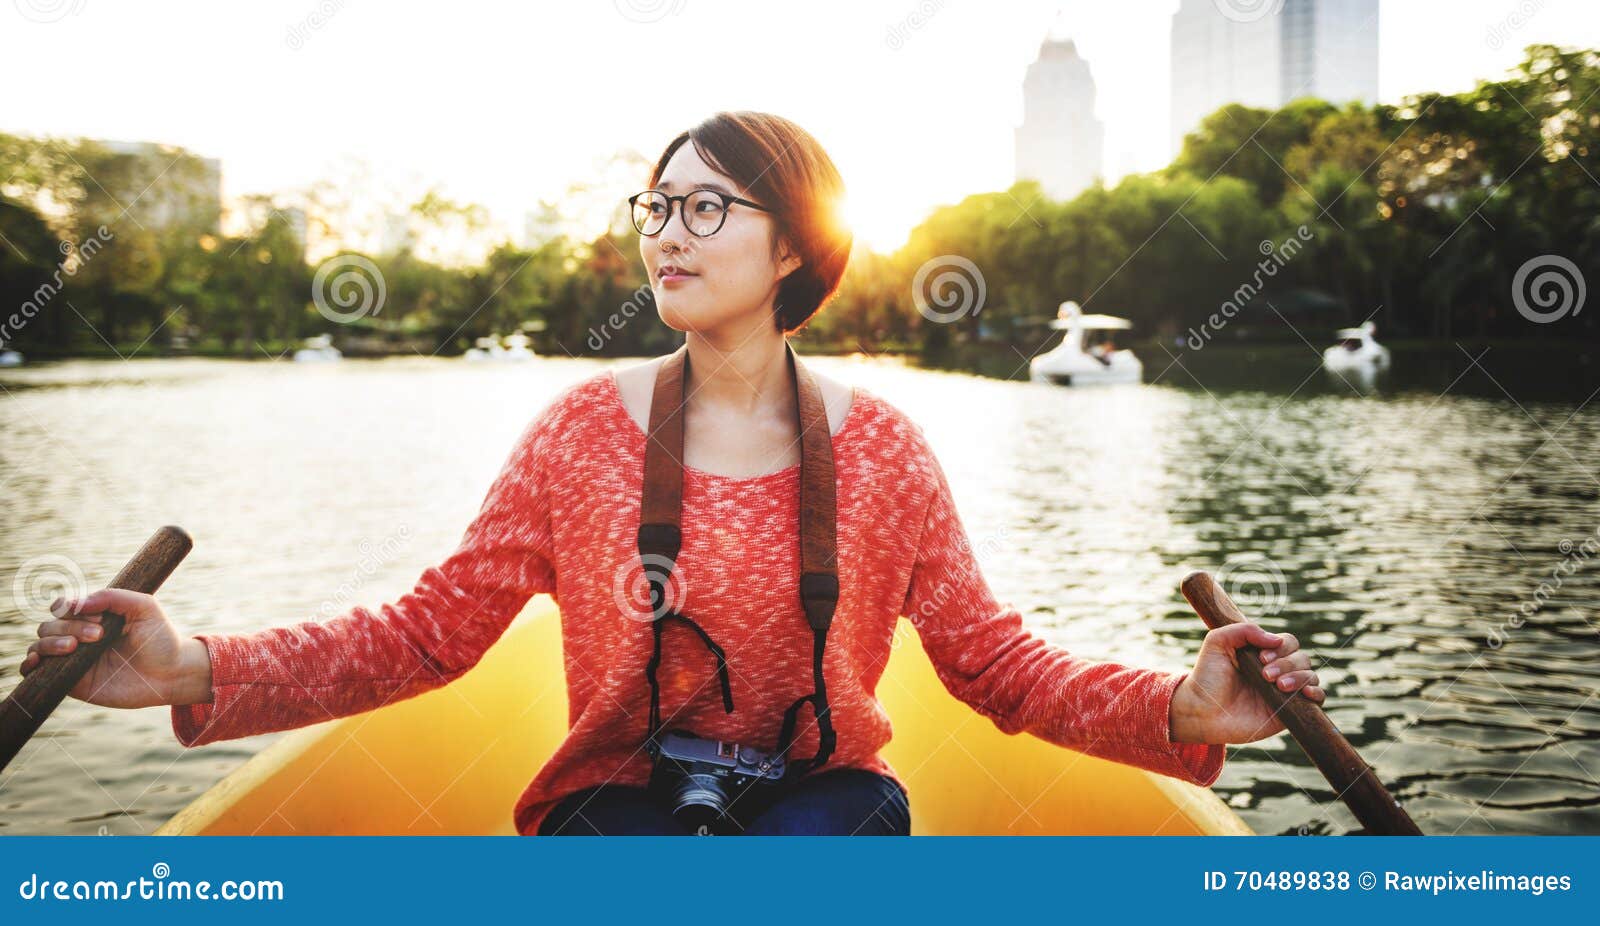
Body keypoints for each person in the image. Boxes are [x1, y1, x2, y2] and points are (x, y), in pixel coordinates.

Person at [19, 112, 1324, 836]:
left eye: (707, 205)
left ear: (798, 245)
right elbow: (421, 637)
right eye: (655, 204)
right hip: (614, 809)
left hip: (828, 804)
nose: (666, 231)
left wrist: (1189, 708)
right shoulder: (577, 432)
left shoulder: (885, 449)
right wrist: (197, 669)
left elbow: (998, 667)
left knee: (840, 832)